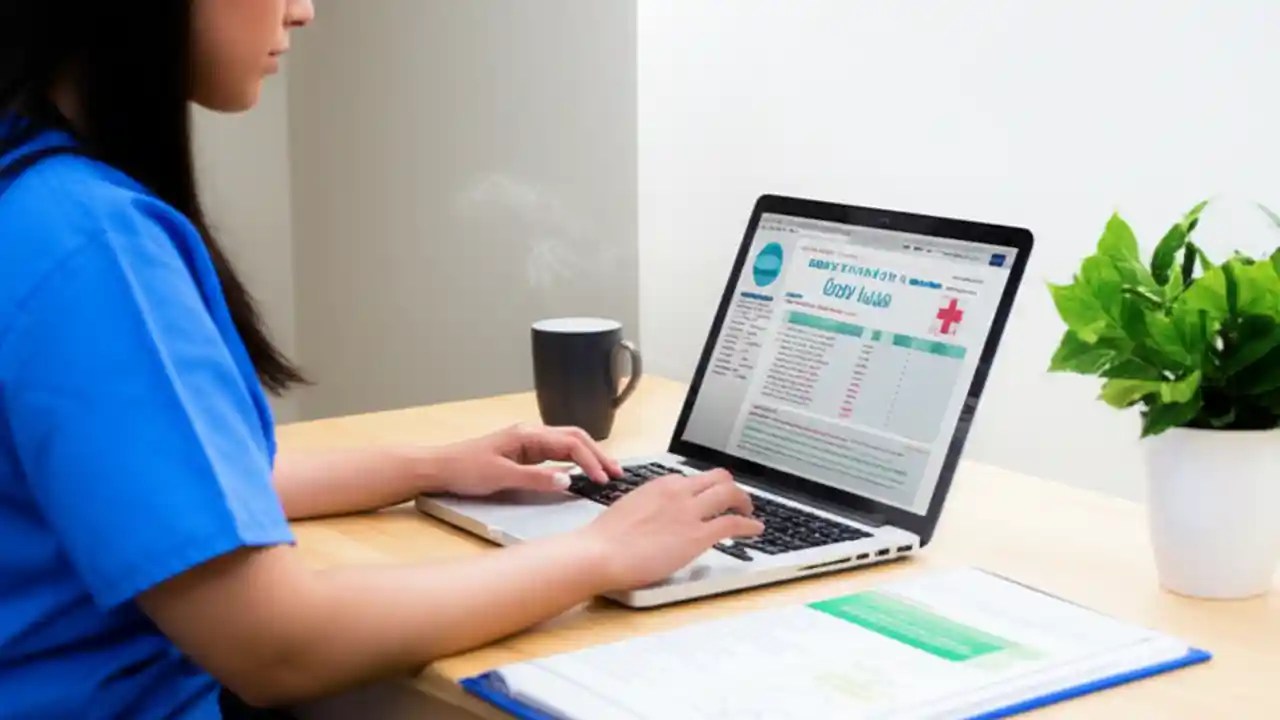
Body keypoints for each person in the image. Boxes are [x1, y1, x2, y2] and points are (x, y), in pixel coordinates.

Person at [0, 1, 764, 717]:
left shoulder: (31, 192)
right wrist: (599, 553)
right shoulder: (92, 245)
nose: (302, 9)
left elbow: (161, 486)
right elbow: (277, 644)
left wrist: (429, 467)